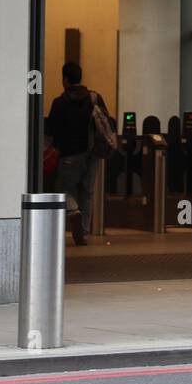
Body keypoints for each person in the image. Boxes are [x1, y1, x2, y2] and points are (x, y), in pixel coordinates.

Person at [45, 62, 112, 246]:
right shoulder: (94, 98)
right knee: (88, 192)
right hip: (93, 153)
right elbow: (108, 121)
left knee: (64, 189)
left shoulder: (60, 102)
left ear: (65, 79)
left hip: (69, 155)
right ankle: (82, 231)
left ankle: (73, 211)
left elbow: (51, 129)